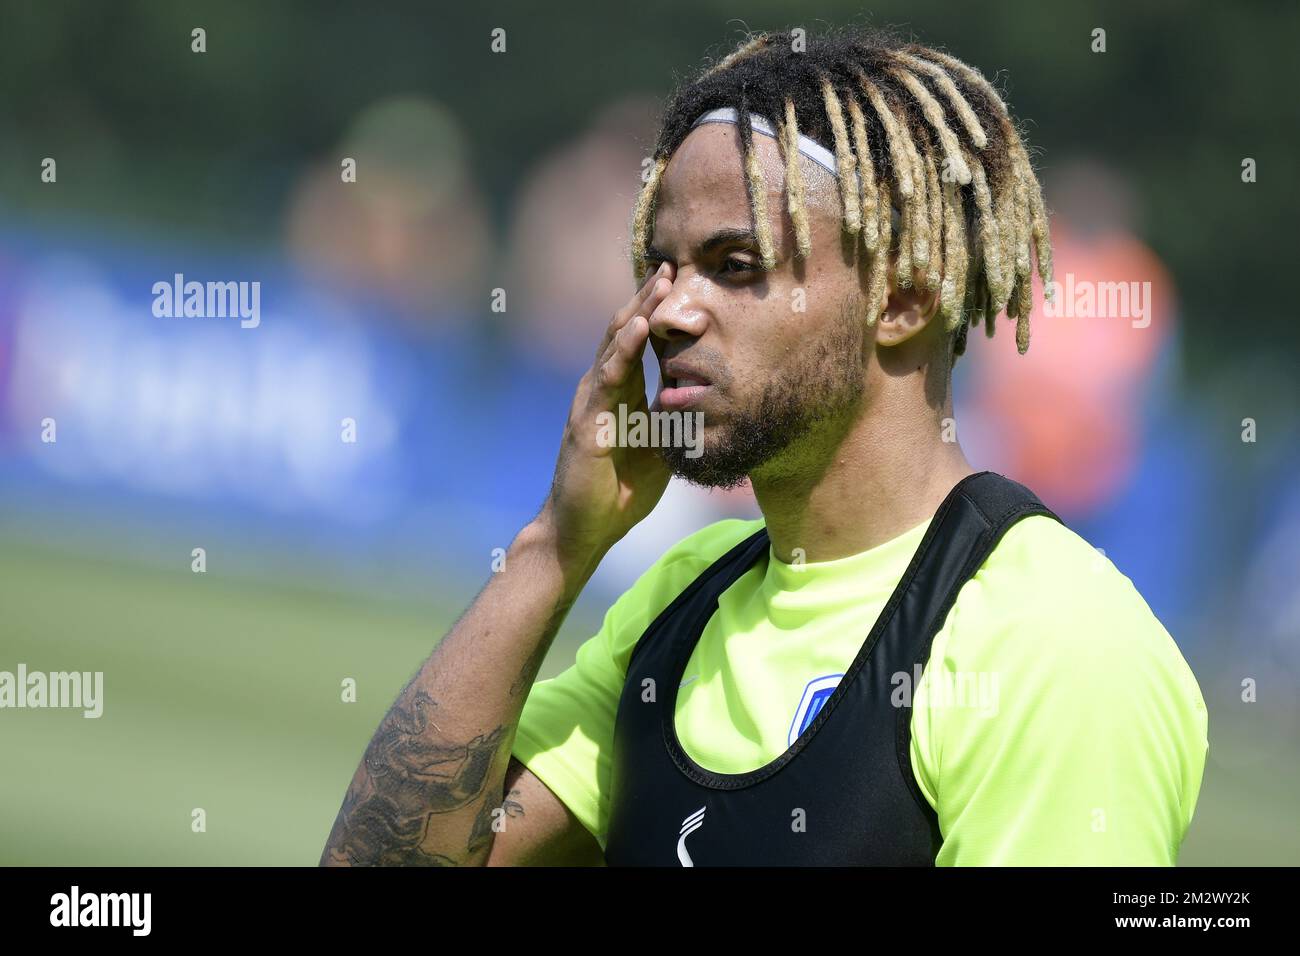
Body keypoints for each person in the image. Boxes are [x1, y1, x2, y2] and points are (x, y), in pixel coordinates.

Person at [319, 27, 1208, 867]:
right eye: (661, 265)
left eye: (735, 265)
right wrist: (556, 546)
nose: (668, 310)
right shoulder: (683, 600)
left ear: (901, 299)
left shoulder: (1053, 646)